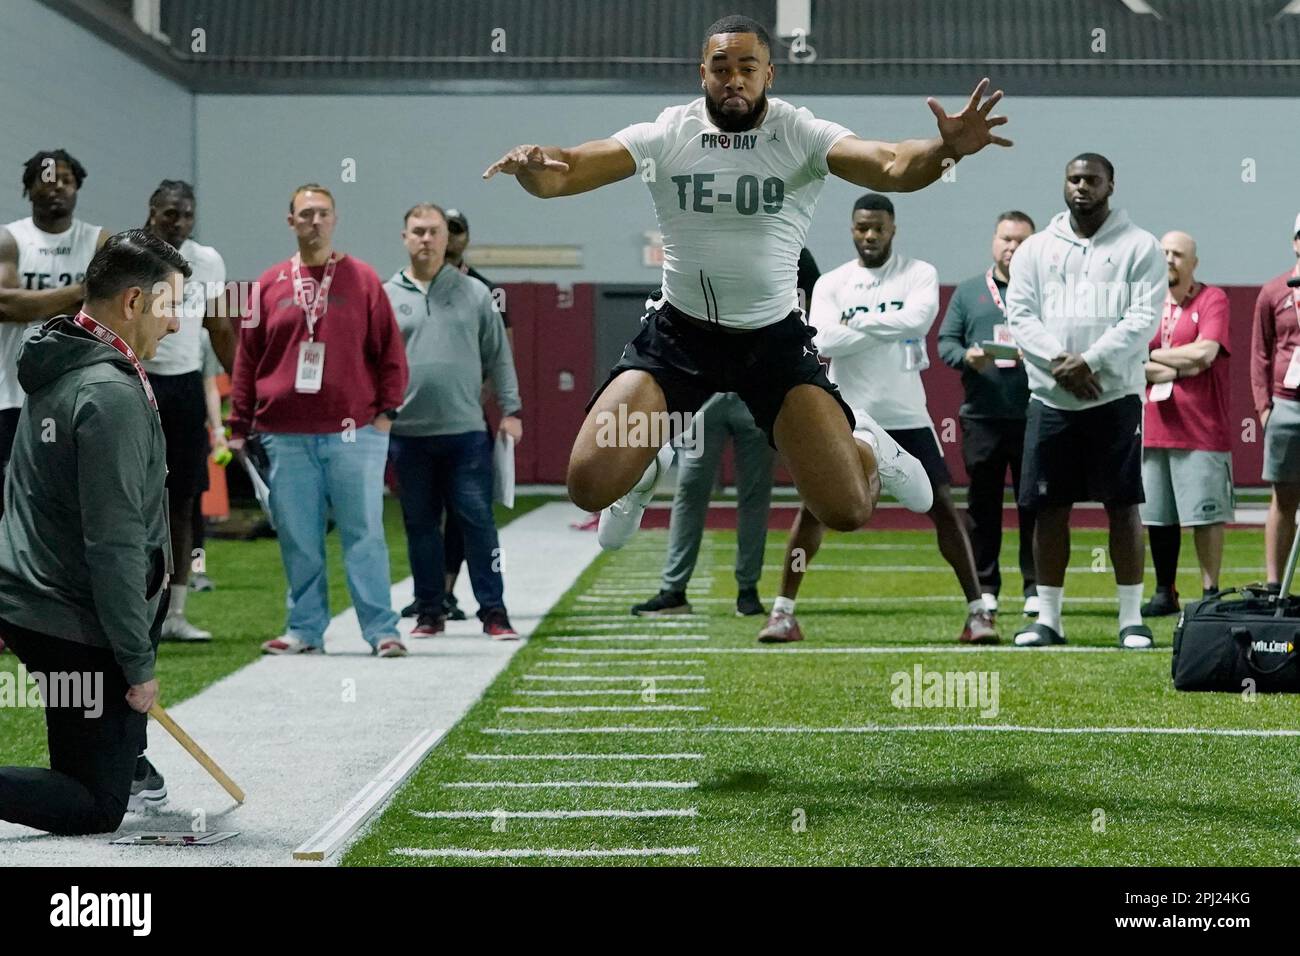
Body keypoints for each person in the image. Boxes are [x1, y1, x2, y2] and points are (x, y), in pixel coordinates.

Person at [484, 15, 1009, 568]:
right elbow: (566, 169)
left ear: (769, 75)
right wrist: (532, 164)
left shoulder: (800, 133)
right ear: (702, 74)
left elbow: (894, 166)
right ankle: (644, 470)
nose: (733, 79)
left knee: (848, 510)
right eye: (721, 68)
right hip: (678, 337)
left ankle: (868, 442)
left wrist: (946, 150)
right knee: (588, 486)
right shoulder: (669, 133)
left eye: (747, 68)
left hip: (772, 345)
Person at [0, 230, 182, 834]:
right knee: (96, 806)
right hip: (71, 615)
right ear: (132, 302)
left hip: (40, 601)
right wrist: (136, 662)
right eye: (168, 305)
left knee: (100, 756)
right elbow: (114, 541)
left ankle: (124, 756)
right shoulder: (108, 391)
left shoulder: (64, 356)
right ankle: (118, 761)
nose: (176, 324)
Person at [761, 193, 998, 644]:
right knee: (813, 511)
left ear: (893, 229)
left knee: (944, 509)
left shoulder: (919, 273)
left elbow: (917, 322)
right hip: (847, 414)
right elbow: (825, 337)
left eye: (878, 228)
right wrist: (878, 326)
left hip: (907, 415)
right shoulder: (832, 282)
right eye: (861, 228)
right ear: (852, 229)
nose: (869, 236)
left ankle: (978, 613)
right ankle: (782, 614)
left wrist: (857, 325)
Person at [229, 184, 410, 657]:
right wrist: (238, 423)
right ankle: (305, 630)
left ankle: (381, 630)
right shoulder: (269, 284)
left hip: (357, 432)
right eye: (305, 214)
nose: (314, 221)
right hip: (283, 434)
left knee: (364, 534)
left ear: (335, 220)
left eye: (323, 214)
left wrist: (387, 411)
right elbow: (247, 360)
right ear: (290, 221)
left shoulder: (363, 279)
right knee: (298, 537)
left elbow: (390, 350)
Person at [1007, 153, 1166, 648]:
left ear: (1110, 185)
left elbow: (1143, 318)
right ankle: (1048, 619)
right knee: (1048, 508)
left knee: (1122, 506)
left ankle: (1130, 618)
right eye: (1074, 179)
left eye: (1091, 180)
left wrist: (1091, 362)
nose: (1081, 188)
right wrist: (1062, 362)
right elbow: (1020, 313)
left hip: (1114, 396)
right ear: (1064, 184)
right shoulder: (1035, 249)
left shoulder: (1141, 246)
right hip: (1051, 398)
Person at [384, 203, 523, 639]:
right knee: (420, 526)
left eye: (434, 232)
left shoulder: (477, 294)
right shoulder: (386, 296)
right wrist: (375, 415)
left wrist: (512, 410)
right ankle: (430, 611)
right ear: (404, 238)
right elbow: (373, 363)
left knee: (478, 522)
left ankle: (494, 613)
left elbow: (499, 357)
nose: (426, 239)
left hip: (466, 433)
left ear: (447, 240)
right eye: (417, 231)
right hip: (408, 435)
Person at [140, 179, 236, 641]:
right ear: (151, 210)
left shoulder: (208, 260)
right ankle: (130, 610)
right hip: (134, 383)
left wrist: (245, 387)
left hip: (185, 387)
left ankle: (175, 613)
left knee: (182, 502)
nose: (178, 222)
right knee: (129, 502)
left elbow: (220, 325)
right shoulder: (125, 255)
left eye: (186, 215)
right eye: (169, 213)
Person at [937, 210, 1039, 618]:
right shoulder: (968, 293)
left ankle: (1036, 586)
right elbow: (945, 342)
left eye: (1021, 241)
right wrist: (967, 357)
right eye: (1006, 239)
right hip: (982, 416)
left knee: (1035, 503)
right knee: (983, 506)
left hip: (1035, 414)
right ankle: (987, 585)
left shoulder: (1044, 291)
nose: (1012, 247)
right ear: (993, 241)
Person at [0, 149, 107, 517]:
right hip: (14, 393)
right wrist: (79, 292)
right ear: (29, 189)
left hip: (76, 391)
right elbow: (5, 307)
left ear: (77, 188)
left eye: (65, 179)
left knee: (67, 499)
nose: (55, 186)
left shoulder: (97, 242)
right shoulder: (10, 239)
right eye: (45, 179)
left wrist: (34, 302)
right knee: (11, 496)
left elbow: (107, 307)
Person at [1140, 231, 1232, 615]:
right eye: (1163, 253)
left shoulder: (1213, 299)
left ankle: (1210, 591)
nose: (1169, 260)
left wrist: (1158, 360)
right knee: (1158, 515)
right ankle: (1165, 591)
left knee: (1205, 514)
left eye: (1177, 254)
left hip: (1201, 428)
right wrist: (1181, 364)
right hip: (1153, 424)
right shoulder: (1144, 302)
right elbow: (1131, 360)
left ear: (1194, 262)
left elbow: (1207, 352)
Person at [631, 391, 774, 617]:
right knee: (689, 493)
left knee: (754, 496)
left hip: (754, 392)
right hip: (706, 393)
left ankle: (748, 589)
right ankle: (673, 591)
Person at [435, 207, 510, 622]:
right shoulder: (410, 287)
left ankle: (449, 591)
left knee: (465, 510)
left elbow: (501, 354)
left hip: (465, 416)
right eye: (442, 230)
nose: (449, 237)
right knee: (424, 510)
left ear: (467, 237)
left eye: (456, 230)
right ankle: (430, 594)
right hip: (419, 416)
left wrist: (480, 394)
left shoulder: (485, 290)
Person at [1250, 213, 1300, 591]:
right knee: (1283, 497)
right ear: (1294, 241)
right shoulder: (1273, 291)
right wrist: (1265, 408)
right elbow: (1260, 353)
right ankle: (1273, 584)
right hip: (1287, 406)